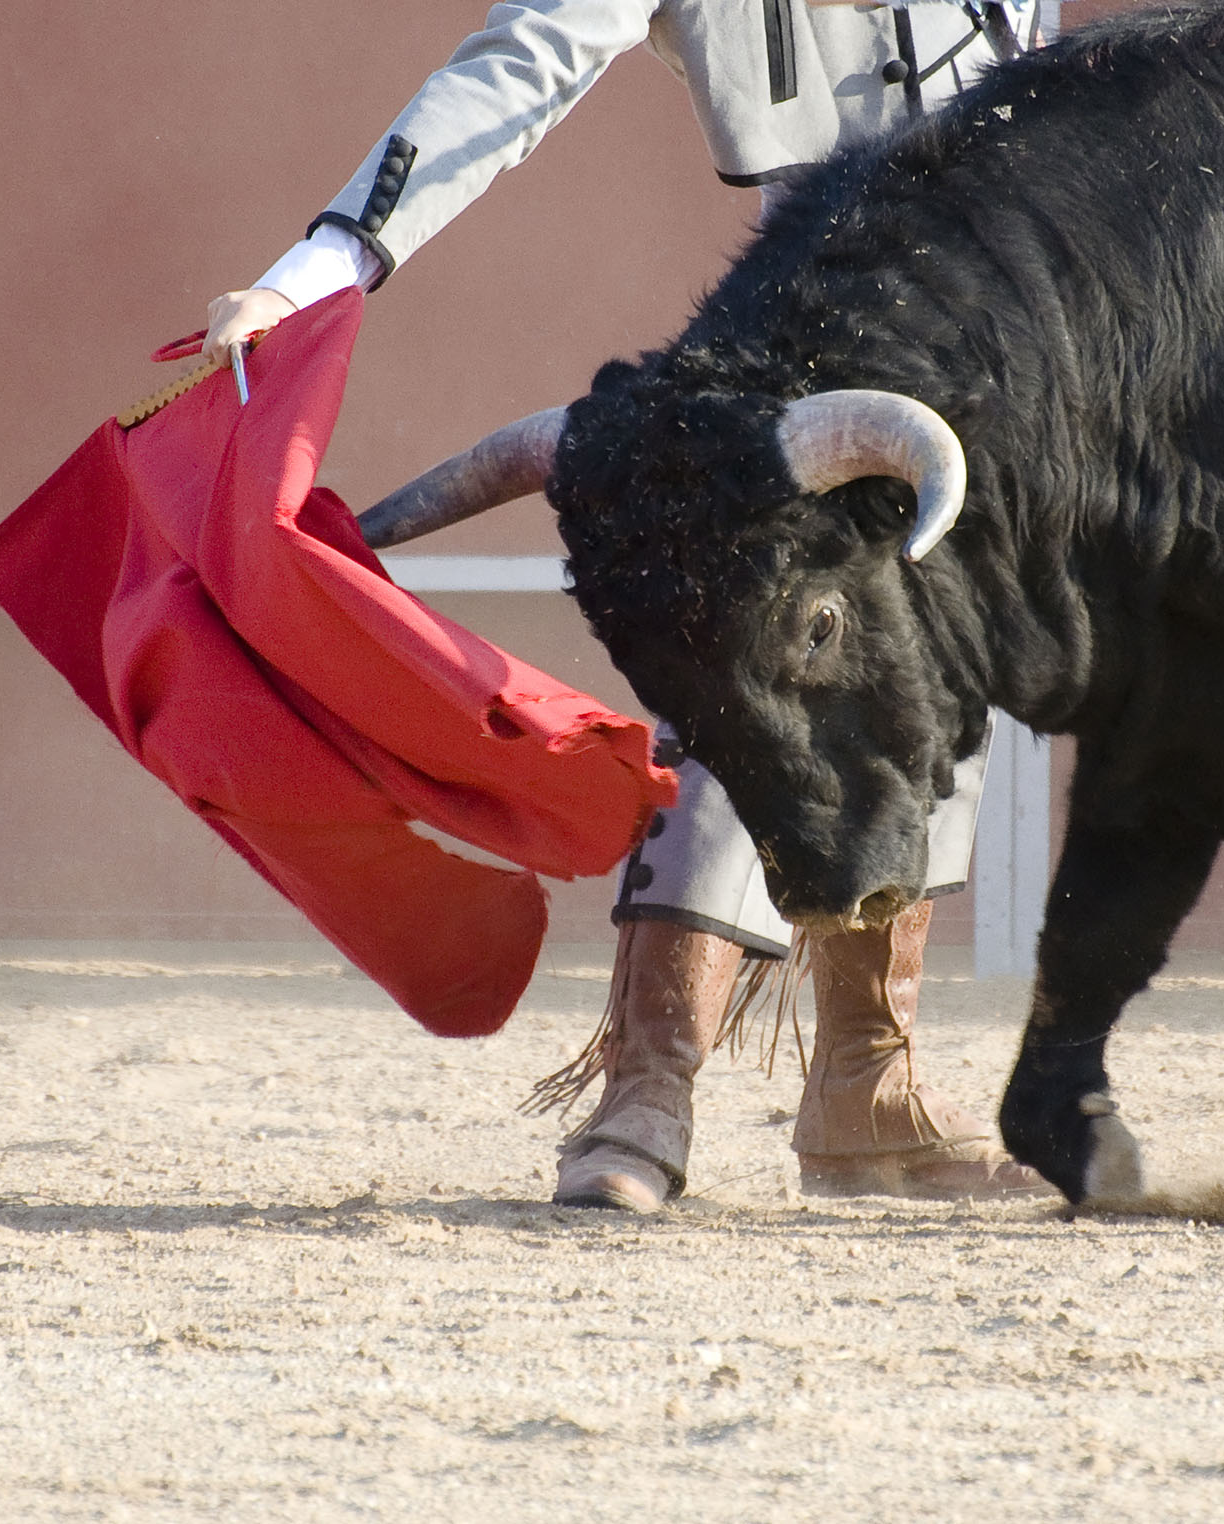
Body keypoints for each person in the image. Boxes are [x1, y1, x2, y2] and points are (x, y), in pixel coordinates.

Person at [204, 0, 1055, 1211]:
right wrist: (326, 263)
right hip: (802, 332)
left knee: (940, 656)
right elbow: (526, 61)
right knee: (754, 648)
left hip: (1012, 331)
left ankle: (865, 1079)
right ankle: (646, 1079)